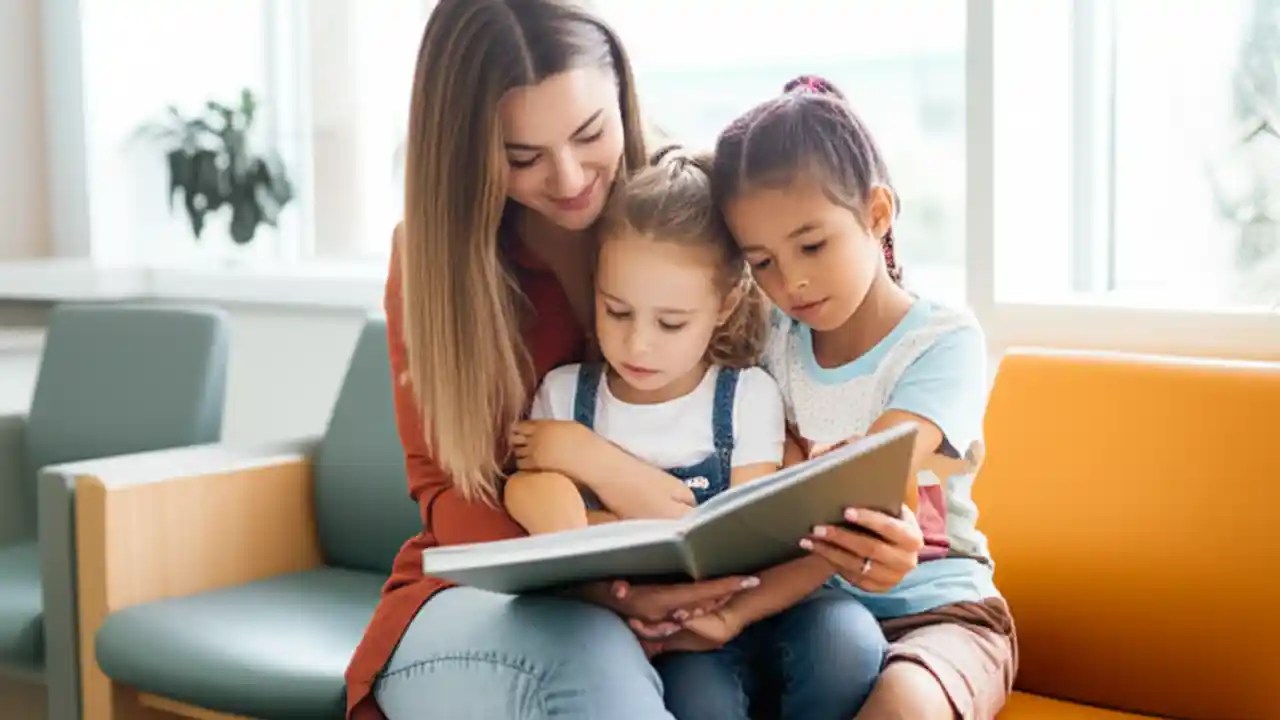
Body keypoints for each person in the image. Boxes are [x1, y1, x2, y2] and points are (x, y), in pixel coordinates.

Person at [345, 0, 927, 715]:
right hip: (493, 600)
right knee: (596, 659)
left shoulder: (694, 208)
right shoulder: (433, 261)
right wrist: (606, 578)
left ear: (621, 93)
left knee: (840, 648)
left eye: (590, 133)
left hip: (724, 596)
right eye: (522, 156)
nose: (566, 178)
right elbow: (447, 495)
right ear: (465, 152)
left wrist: (888, 524)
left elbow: (837, 369)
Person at [504, 148, 889, 720]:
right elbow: (535, 509)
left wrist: (603, 473)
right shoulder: (564, 398)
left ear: (726, 303)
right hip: (669, 628)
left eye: (671, 322)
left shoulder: (744, 396)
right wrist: (570, 485)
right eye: (616, 311)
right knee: (698, 698)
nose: (638, 345)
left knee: (847, 644)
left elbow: (748, 538)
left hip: (763, 601)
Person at [711, 75, 1019, 720]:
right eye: (761, 262)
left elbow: (866, 478)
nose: (790, 279)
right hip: (812, 613)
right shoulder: (772, 338)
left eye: (812, 244)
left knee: (903, 706)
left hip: (939, 613)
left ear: (877, 214)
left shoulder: (943, 339)